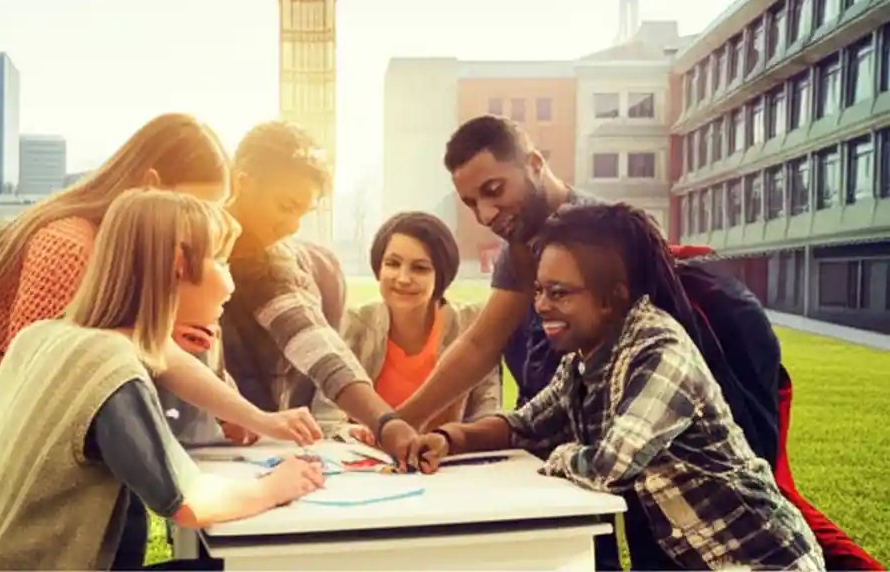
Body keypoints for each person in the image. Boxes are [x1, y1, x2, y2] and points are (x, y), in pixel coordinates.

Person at [0, 113, 320, 571]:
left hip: (27, 375)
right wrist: (274, 484)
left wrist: (252, 415)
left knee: (111, 518)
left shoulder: (94, 336)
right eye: (201, 223)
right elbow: (63, 384)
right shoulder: (71, 253)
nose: (228, 274)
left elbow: (127, 349)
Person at [409, 203, 823, 572]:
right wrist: (450, 438)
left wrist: (559, 454)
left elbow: (609, 468)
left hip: (764, 561)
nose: (540, 306)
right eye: (538, 290)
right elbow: (525, 425)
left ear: (611, 299)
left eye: (559, 293)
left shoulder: (660, 352)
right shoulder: (584, 358)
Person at [391, 115, 769, 472]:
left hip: (629, 445)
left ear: (535, 163)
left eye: (494, 190)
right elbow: (480, 344)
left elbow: (631, 388)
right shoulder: (519, 241)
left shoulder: (607, 236)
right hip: (549, 431)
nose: (485, 215)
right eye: (471, 203)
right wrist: (399, 421)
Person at [215, 121, 428, 462]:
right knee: (163, 515)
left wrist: (383, 422)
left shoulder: (277, 265)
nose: (293, 226)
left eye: (304, 212)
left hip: (262, 452)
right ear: (242, 183)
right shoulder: (181, 250)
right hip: (176, 449)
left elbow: (315, 345)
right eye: (285, 206)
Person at [311, 211, 500, 439]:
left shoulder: (470, 326)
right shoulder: (355, 324)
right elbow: (325, 415)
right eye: (392, 264)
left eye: (420, 268)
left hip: (445, 465)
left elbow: (486, 415)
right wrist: (353, 434)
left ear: (441, 276)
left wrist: (447, 440)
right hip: (366, 462)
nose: (402, 278)